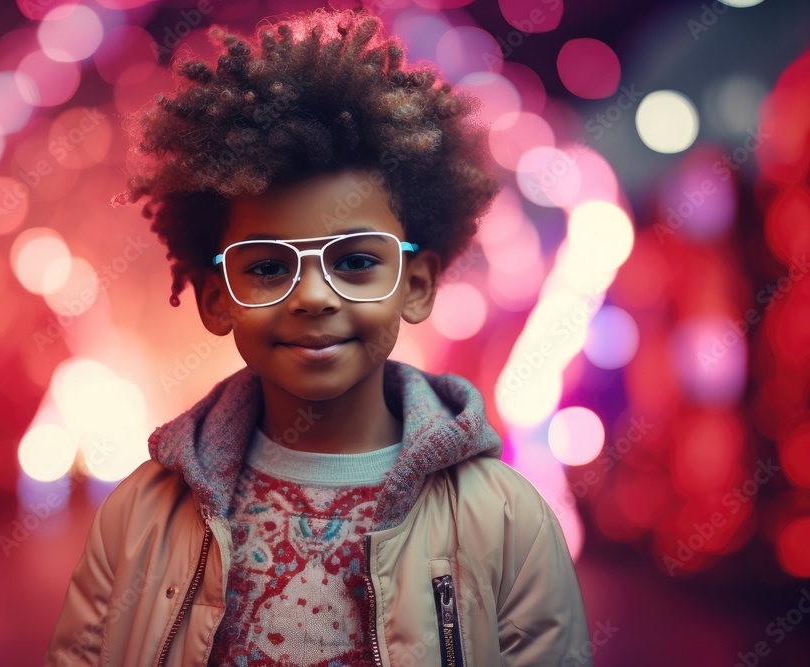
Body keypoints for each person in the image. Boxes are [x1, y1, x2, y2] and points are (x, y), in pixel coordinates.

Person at [46, 9, 590, 666]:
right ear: (216, 299)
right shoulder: (137, 520)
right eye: (269, 266)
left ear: (416, 284)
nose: (312, 296)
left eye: (356, 261)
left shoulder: (507, 523)